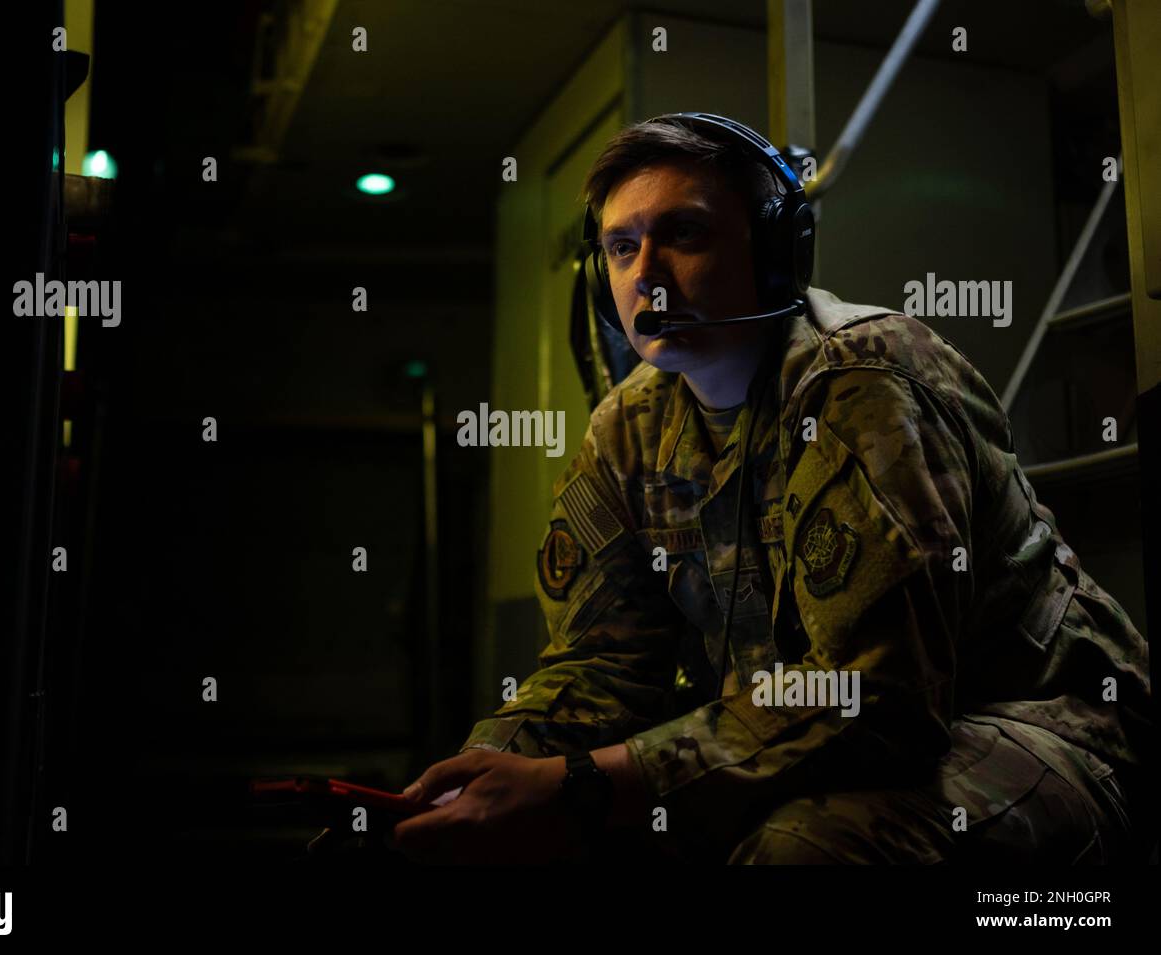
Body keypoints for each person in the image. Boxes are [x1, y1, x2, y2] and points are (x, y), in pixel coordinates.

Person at [391, 114, 1153, 864]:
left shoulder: (865, 380)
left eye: (683, 234)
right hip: (843, 741)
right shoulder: (626, 429)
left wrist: (586, 782)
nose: (646, 272)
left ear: (778, 253)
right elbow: (598, 665)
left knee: (803, 845)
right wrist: (463, 786)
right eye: (622, 247)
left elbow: (877, 701)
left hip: (1048, 731)